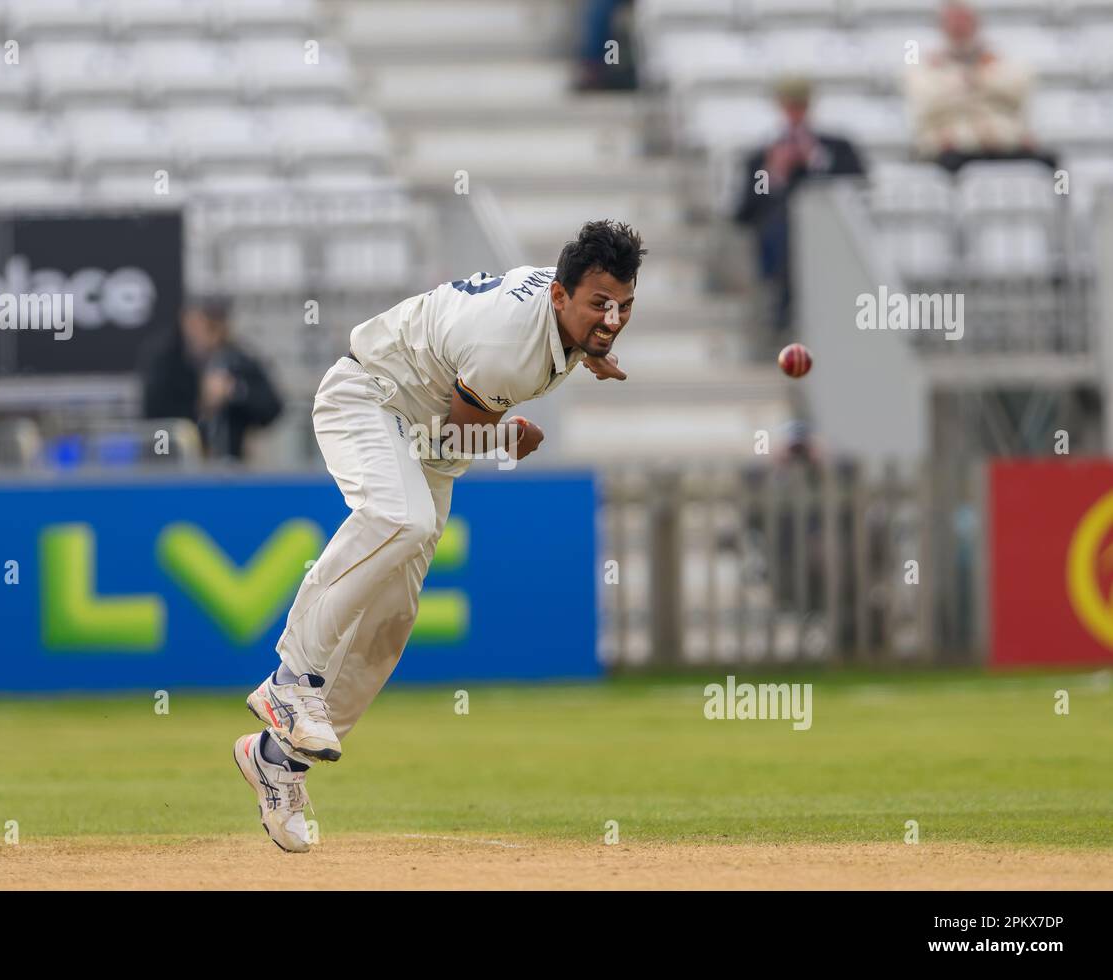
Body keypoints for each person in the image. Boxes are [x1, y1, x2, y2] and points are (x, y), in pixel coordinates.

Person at [232, 220, 647, 852]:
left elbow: (442, 441)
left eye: (624, 306)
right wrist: (508, 438)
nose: (613, 319)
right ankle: (291, 683)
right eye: (600, 305)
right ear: (560, 296)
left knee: (391, 622)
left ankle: (276, 761)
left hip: (421, 436)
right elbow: (451, 438)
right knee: (401, 519)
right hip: (368, 398)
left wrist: (588, 345)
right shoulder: (508, 349)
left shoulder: (559, 313)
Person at [733, 77, 865, 336]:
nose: (795, 113)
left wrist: (816, 160)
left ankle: (786, 313)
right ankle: (786, 311)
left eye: (800, 106)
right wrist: (774, 173)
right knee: (785, 230)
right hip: (780, 234)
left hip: (831, 232)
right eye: (790, 106)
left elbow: (857, 187)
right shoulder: (761, 156)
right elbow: (745, 209)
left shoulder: (837, 148)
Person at [906, 1, 1056, 174]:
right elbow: (926, 102)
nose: (959, 27)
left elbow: (1019, 90)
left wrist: (965, 84)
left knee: (1046, 163)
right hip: (954, 150)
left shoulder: (1001, 60)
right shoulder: (925, 66)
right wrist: (982, 85)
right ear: (942, 27)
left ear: (976, 24)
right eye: (953, 21)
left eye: (964, 20)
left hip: (1004, 145)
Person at [138, 297, 282, 461]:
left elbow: (272, 407)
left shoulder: (237, 361)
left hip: (229, 467)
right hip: (174, 467)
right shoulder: (165, 361)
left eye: (214, 324)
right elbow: (153, 415)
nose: (205, 331)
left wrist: (234, 391)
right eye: (201, 322)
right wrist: (201, 401)